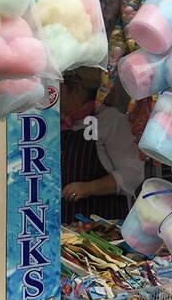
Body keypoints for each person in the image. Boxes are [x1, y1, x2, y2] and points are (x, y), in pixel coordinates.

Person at [60, 67, 143, 223]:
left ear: (76, 90)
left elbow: (133, 173)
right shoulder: (54, 124)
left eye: (59, 88)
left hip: (103, 223)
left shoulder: (110, 120)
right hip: (64, 223)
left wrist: (87, 188)